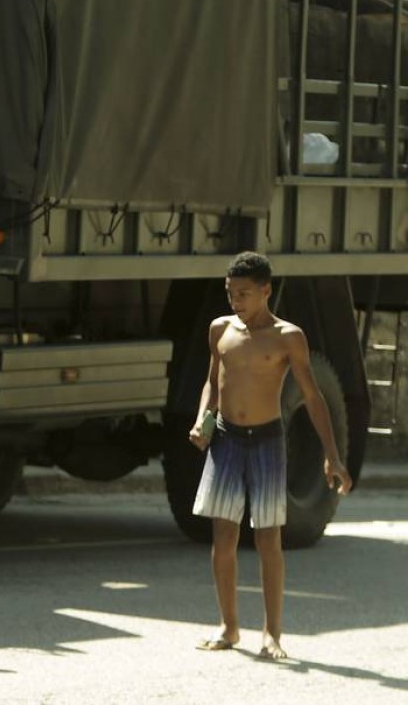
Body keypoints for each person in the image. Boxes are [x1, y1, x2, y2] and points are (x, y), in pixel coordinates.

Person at [188, 251, 352, 660]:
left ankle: (271, 634)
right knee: (223, 535)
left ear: (266, 290)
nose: (235, 301)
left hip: (266, 441)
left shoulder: (287, 336)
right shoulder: (220, 329)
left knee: (267, 538)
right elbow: (213, 382)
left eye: (243, 293)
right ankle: (229, 627)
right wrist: (202, 419)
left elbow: (312, 396)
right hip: (225, 439)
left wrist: (332, 455)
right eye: (230, 292)